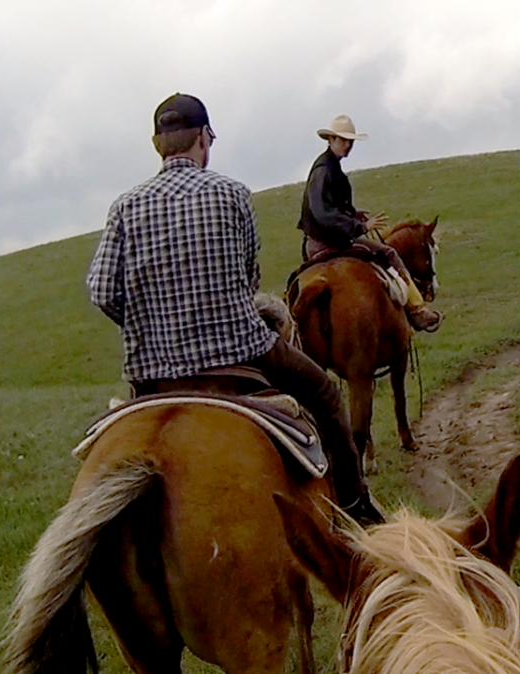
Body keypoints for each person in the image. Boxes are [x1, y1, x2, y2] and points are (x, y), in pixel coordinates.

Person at [86, 93, 383, 526]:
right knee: (326, 395)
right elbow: (248, 281)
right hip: (238, 352)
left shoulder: (124, 207)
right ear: (204, 139)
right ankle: (356, 506)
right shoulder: (233, 195)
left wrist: (151, 325)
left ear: (158, 145)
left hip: (152, 371)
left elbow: (101, 290)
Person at [298, 115, 442, 332]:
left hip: (316, 242)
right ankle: (418, 309)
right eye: (343, 140)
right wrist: (360, 227)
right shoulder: (325, 171)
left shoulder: (326, 167)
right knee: (390, 253)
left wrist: (354, 214)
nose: (348, 145)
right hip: (331, 242)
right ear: (331, 139)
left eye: (351, 141)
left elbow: (329, 208)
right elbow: (324, 215)